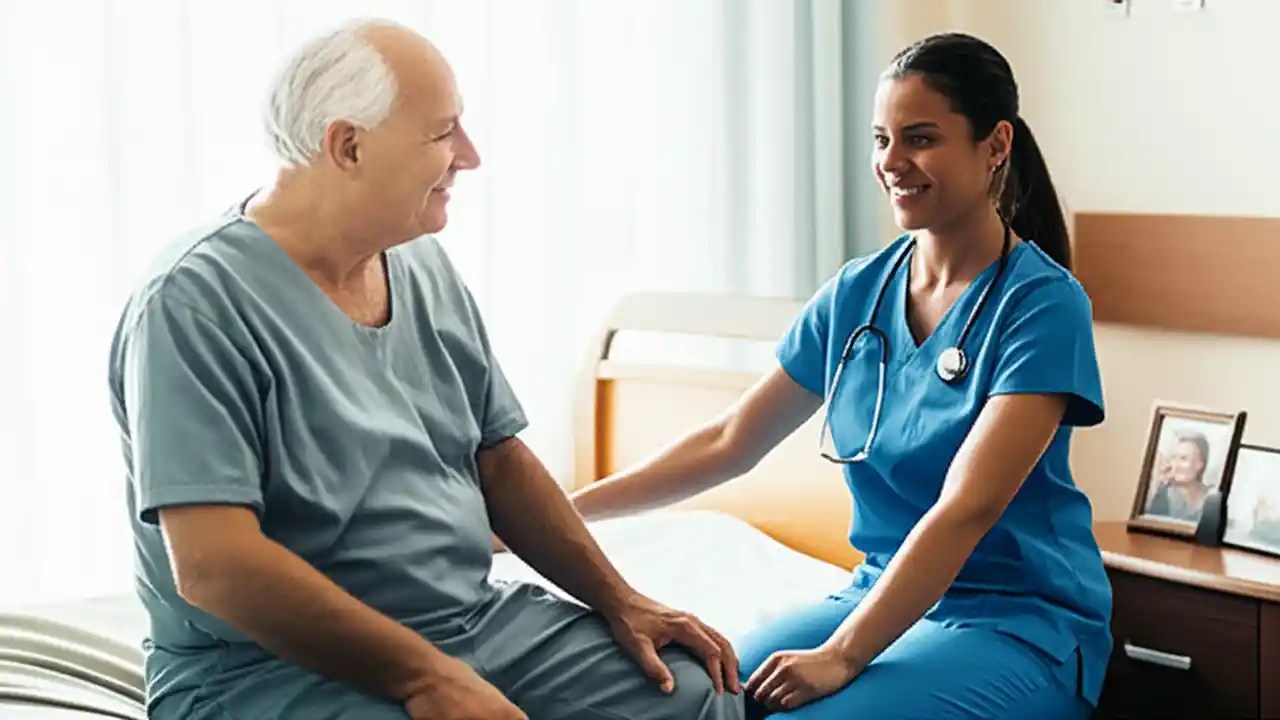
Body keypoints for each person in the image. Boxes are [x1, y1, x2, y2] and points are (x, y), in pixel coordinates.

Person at [107, 19, 743, 720]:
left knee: (693, 694)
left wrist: (622, 600)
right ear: (348, 145)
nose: (468, 155)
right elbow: (213, 568)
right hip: (266, 667)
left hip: (468, 624)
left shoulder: (417, 260)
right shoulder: (194, 303)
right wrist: (424, 679)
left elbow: (497, 459)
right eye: (442, 133)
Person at [567, 32, 1110, 719]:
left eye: (920, 138)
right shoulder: (857, 293)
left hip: (1017, 621)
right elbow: (729, 440)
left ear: (995, 144)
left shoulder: (1042, 305)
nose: (892, 162)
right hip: (877, 591)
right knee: (702, 699)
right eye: (881, 139)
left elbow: (966, 507)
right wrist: (561, 516)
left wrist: (845, 655)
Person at [1145, 431, 1211, 522]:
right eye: (1173, 458)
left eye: (1183, 459)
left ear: (1199, 464)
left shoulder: (1212, 499)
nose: (1176, 465)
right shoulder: (1160, 495)